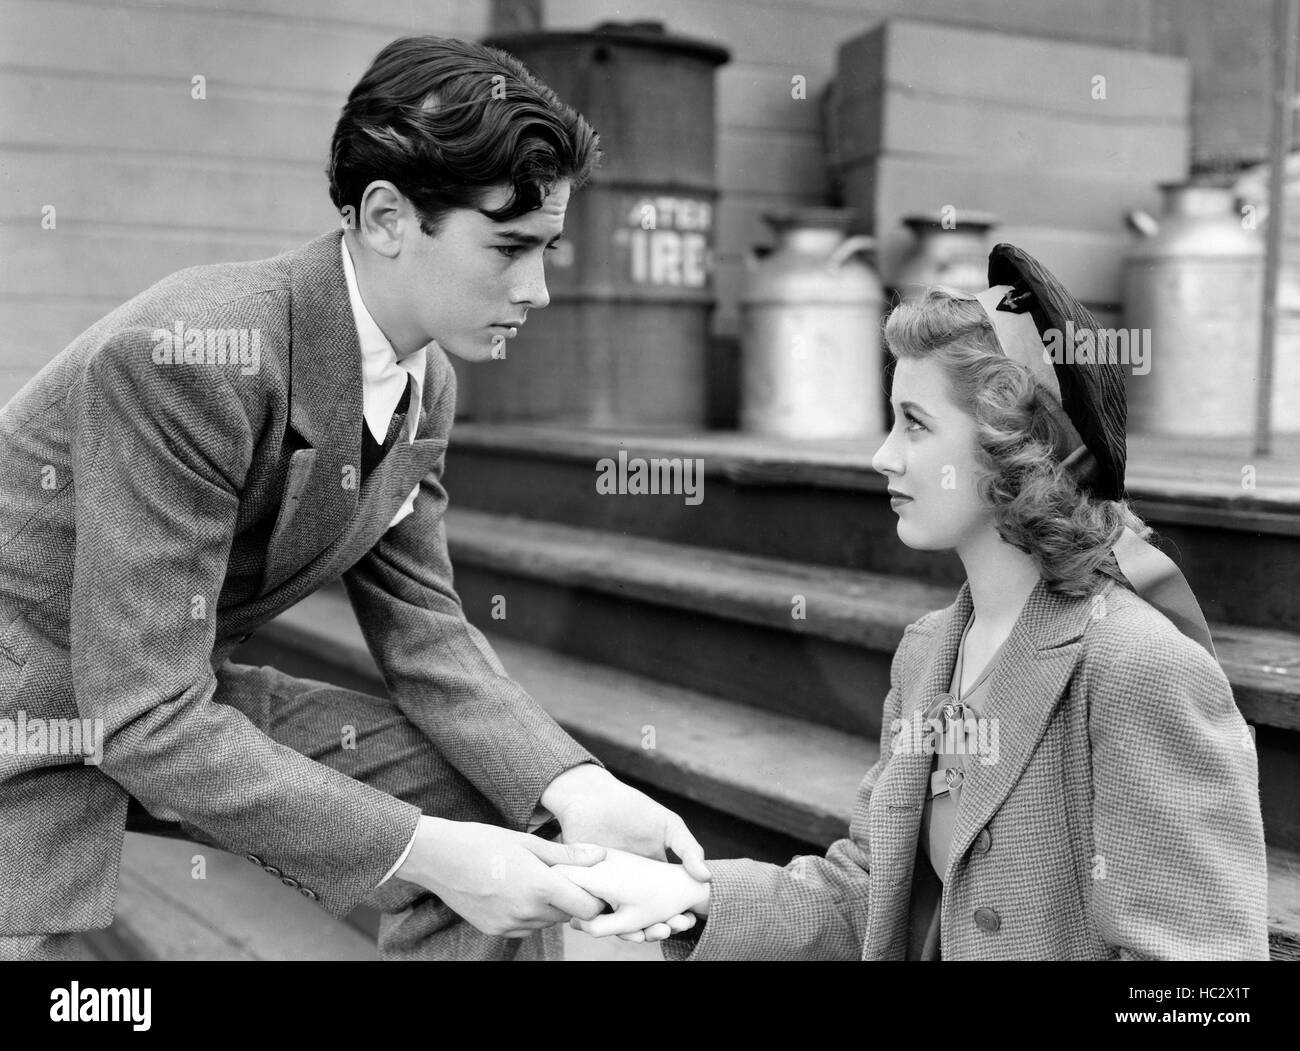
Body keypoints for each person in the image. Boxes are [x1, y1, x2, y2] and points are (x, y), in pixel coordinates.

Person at [0, 35, 708, 962]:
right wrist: (426, 854)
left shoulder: (427, 381)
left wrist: (575, 784)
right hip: (37, 700)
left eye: (548, 250)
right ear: (385, 216)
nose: (535, 290)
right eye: (507, 246)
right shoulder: (193, 358)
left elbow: (424, 627)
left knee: (492, 796)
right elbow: (143, 713)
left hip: (150, 685)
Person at [555, 244, 1270, 960]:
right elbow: (869, 894)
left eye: (915, 423)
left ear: (1011, 444)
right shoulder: (930, 650)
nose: (883, 455)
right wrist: (696, 897)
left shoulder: (1137, 667)